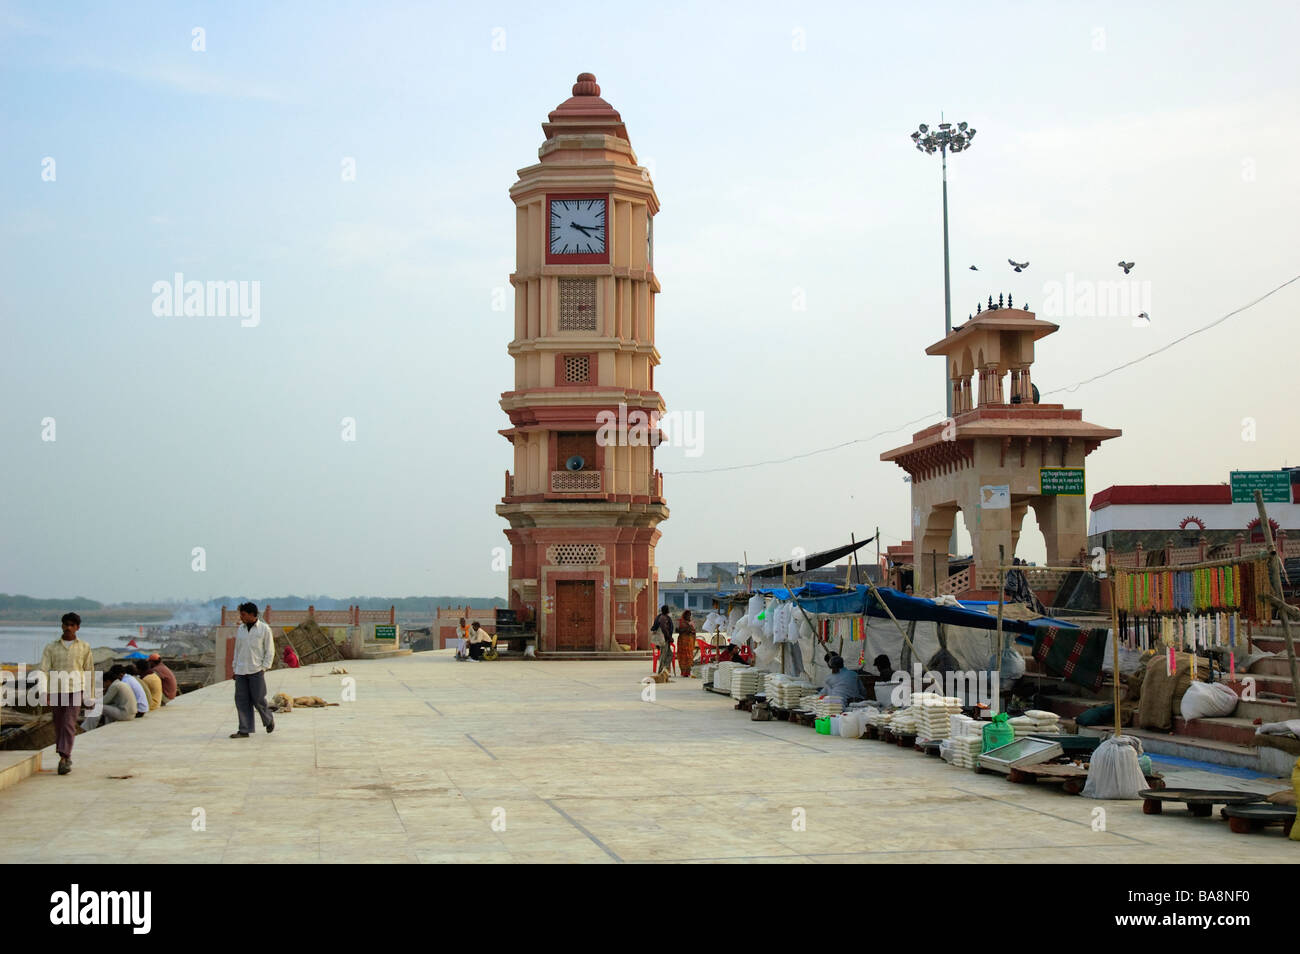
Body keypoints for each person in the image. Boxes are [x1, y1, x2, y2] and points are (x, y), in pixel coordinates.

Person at [39, 613, 97, 775]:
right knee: (58, 724)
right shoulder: (51, 647)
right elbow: (43, 670)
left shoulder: (84, 647)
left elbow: (89, 671)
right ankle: (64, 754)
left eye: (72, 625)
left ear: (78, 627)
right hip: (57, 689)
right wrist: (44, 691)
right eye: (66, 624)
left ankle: (65, 757)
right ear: (62, 626)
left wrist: (90, 696)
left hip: (76, 689)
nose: (69, 627)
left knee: (68, 723)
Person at [231, 601, 276, 738]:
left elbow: (270, 650)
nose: (241, 618)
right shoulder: (241, 629)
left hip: (256, 669)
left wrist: (264, 667)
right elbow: (237, 650)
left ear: (252, 614)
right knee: (241, 700)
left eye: (243, 614)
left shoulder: (264, 629)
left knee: (258, 699)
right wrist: (235, 667)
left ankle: (268, 720)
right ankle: (244, 729)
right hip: (241, 670)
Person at [652, 605, 675, 674]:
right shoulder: (663, 618)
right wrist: (669, 637)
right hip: (664, 639)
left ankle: (664, 668)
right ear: (666, 610)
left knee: (670, 655)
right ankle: (661, 670)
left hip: (665, 639)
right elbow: (664, 629)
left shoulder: (662, 617)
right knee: (663, 655)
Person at [675, 610, 697, 677]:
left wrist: (692, 631)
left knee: (689, 657)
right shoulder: (681, 622)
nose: (689, 616)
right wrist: (687, 629)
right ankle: (683, 672)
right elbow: (677, 630)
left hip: (689, 643)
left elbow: (693, 631)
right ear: (685, 615)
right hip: (683, 643)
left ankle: (688, 672)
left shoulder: (690, 623)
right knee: (683, 657)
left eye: (690, 615)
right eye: (688, 615)